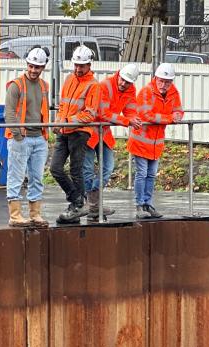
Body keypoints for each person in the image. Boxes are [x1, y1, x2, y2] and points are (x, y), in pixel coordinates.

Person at [83, 63, 139, 223]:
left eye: (127, 82)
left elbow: (130, 109)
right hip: (89, 131)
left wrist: (132, 117)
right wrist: (127, 121)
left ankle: (92, 205)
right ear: (118, 75)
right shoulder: (105, 85)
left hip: (104, 132)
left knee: (107, 167)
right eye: (122, 80)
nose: (123, 84)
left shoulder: (130, 90)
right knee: (87, 169)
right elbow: (103, 113)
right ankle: (93, 205)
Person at [51, 44, 100, 225]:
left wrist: (67, 121)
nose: (79, 69)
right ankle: (78, 201)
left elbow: (89, 114)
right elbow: (62, 104)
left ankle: (77, 204)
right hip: (65, 130)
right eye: (76, 65)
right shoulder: (69, 79)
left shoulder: (93, 85)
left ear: (89, 65)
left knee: (75, 169)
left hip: (80, 132)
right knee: (55, 168)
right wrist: (58, 121)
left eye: (83, 65)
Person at [128, 62, 183, 220]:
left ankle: (148, 204)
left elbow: (178, 110)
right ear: (155, 78)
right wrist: (170, 119)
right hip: (141, 141)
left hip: (155, 143)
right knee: (142, 173)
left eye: (167, 82)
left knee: (151, 175)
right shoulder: (146, 92)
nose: (164, 85)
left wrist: (178, 116)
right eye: (161, 81)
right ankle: (140, 204)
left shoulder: (173, 92)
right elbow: (147, 115)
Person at [4, 47, 50, 228]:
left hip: (39, 138)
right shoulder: (16, 85)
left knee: (36, 177)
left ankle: (35, 214)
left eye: (37, 67)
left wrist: (44, 135)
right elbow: (9, 113)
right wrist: (18, 135)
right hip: (21, 139)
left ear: (43, 67)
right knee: (15, 176)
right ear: (26, 64)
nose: (33, 70)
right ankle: (15, 215)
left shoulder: (44, 86)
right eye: (31, 66)